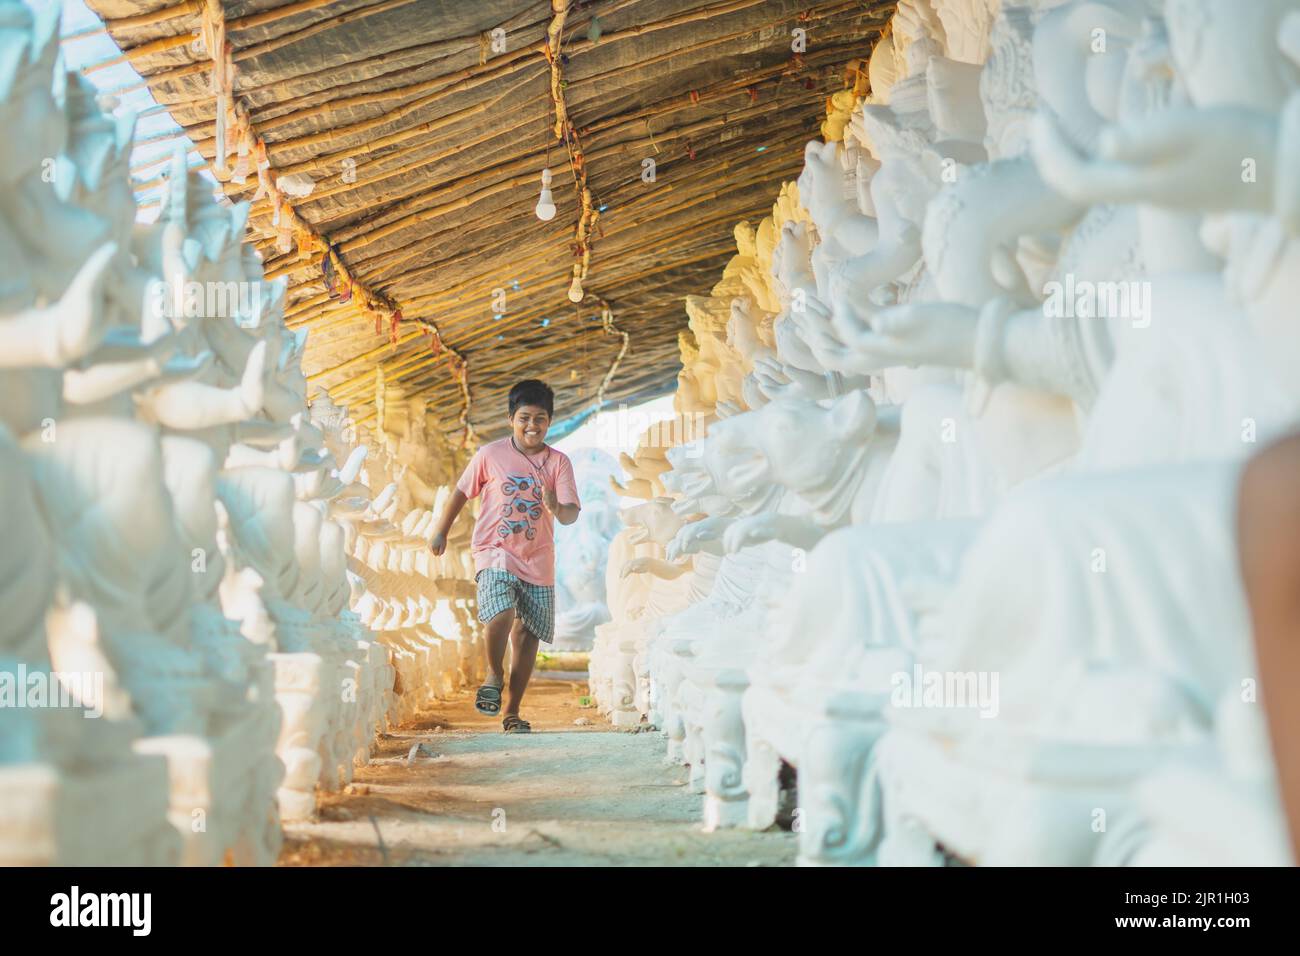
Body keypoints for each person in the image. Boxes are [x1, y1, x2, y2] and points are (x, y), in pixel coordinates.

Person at [430, 379, 581, 732]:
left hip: (538, 558)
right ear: (511, 418)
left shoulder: (559, 463)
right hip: (494, 550)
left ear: (549, 421)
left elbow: (571, 514)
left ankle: (511, 712)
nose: (532, 426)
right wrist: (441, 530)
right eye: (524, 417)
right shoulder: (490, 455)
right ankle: (494, 673)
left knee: (528, 634)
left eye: (540, 419)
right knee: (502, 610)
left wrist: (556, 505)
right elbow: (460, 492)